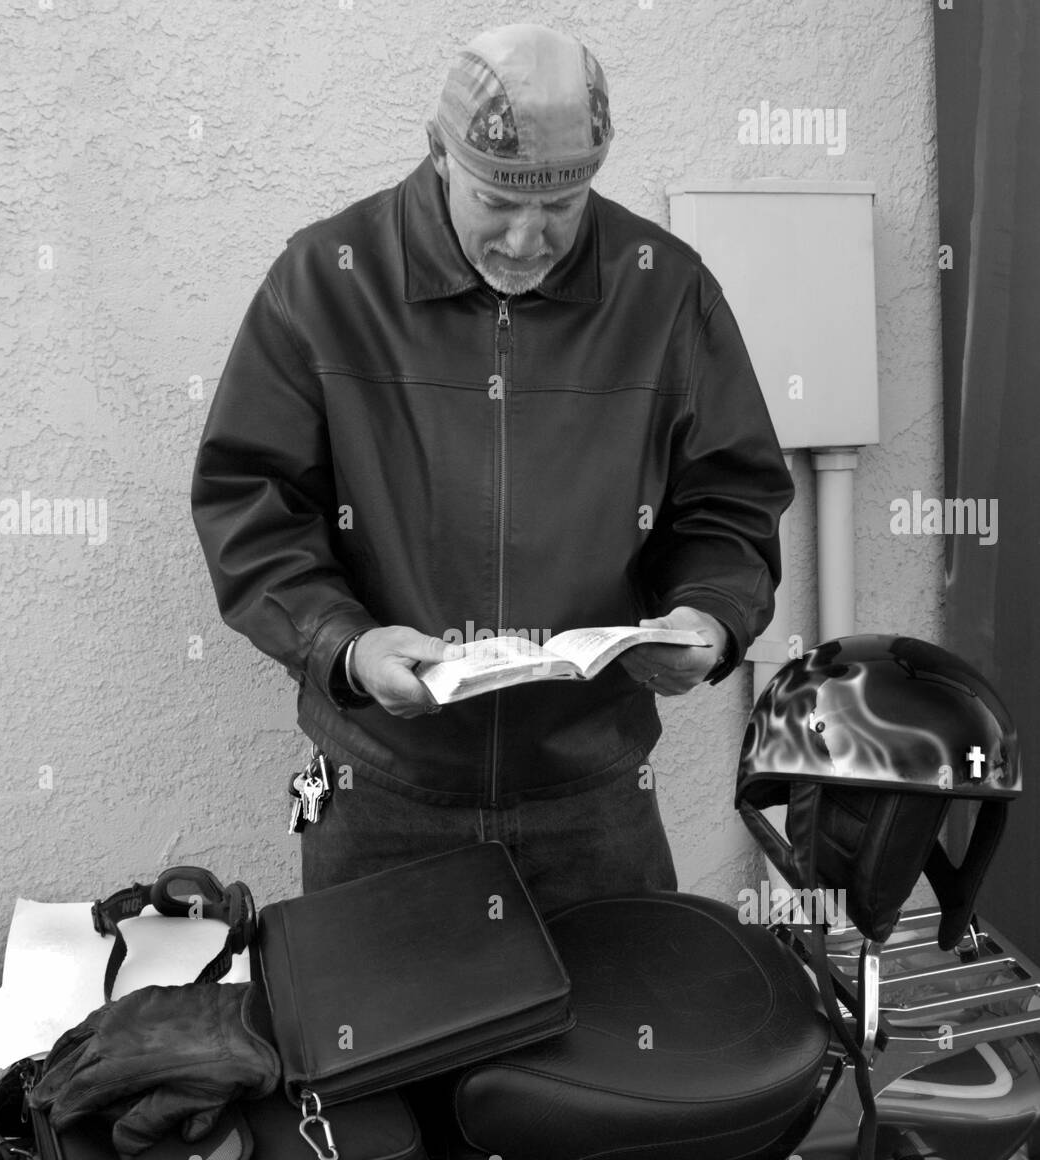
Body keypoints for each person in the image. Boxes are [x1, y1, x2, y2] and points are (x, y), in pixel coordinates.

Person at [191, 23, 794, 916]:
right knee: (392, 1055)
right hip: (381, 790)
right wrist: (343, 647)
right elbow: (252, 501)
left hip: (594, 797)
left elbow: (730, 498)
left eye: (561, 205)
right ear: (438, 154)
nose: (527, 239)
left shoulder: (665, 289)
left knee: (615, 1048)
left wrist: (712, 614)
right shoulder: (324, 281)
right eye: (498, 201)